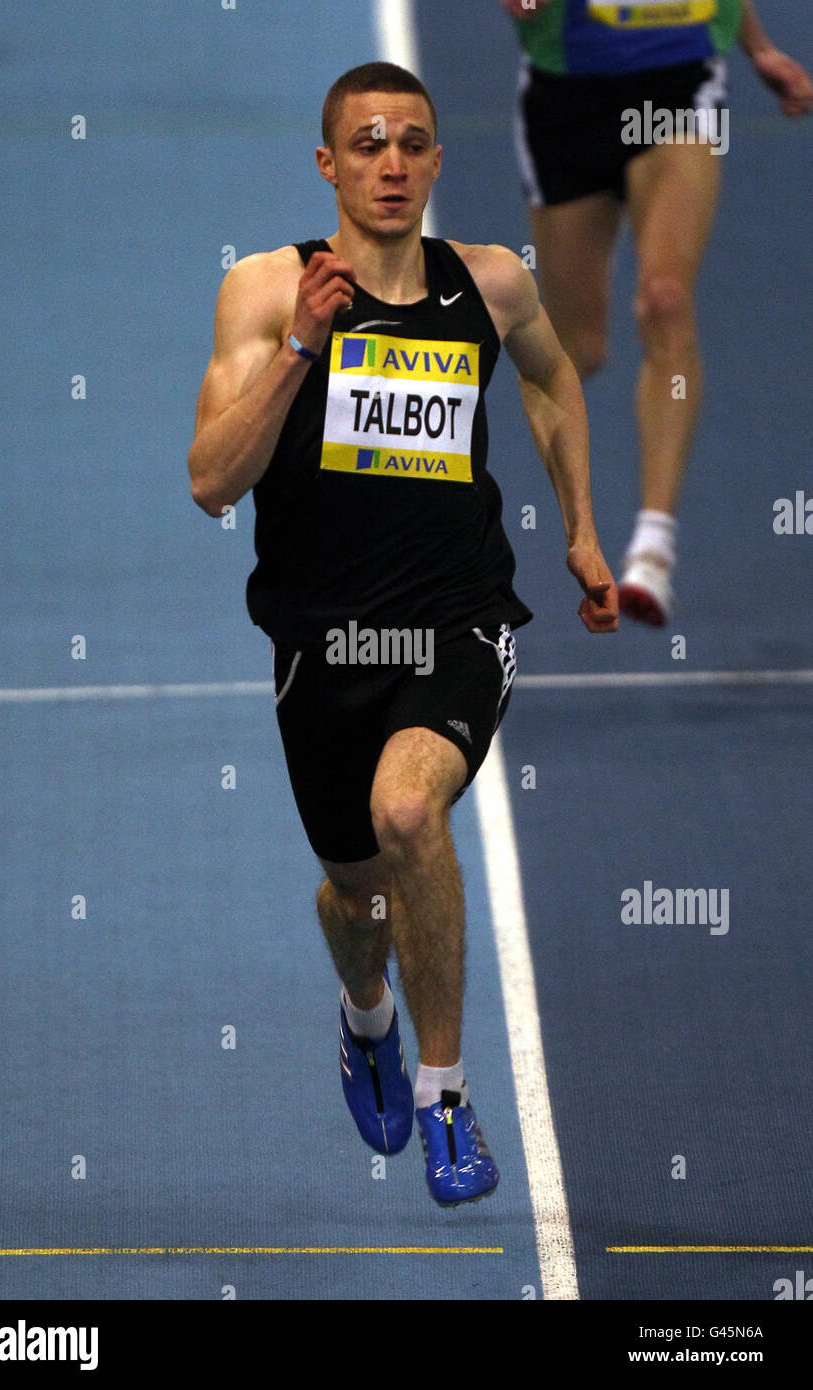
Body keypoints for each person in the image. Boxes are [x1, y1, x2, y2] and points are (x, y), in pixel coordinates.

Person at [188, 62, 618, 1206]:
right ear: (327, 164)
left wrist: (578, 527)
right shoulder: (266, 292)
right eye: (366, 144)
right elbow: (208, 482)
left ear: (434, 161)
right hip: (318, 645)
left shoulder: (489, 283)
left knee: (405, 809)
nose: (390, 163)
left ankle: (445, 1097)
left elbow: (549, 380)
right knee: (355, 896)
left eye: (411, 144)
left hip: (456, 619)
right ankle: (365, 1018)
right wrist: (299, 353)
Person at [502, 0, 812, 623]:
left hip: (677, 81)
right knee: (571, 352)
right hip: (567, 95)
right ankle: (573, 533)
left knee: (666, 298)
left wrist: (757, 48)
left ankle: (653, 549)